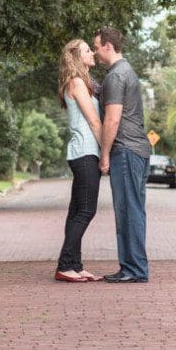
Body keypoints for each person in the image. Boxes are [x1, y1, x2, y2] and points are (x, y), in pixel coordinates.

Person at [93, 26, 151, 284]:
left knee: (128, 211)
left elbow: (113, 120)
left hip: (126, 151)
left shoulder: (116, 76)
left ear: (108, 45)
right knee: (133, 210)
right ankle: (132, 266)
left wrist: (104, 154)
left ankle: (134, 269)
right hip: (137, 150)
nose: (95, 52)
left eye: (96, 47)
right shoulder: (124, 72)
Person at [55, 39, 104, 283]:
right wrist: (107, 152)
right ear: (76, 57)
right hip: (86, 152)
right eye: (87, 50)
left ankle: (74, 264)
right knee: (86, 210)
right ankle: (65, 265)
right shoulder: (76, 82)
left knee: (77, 211)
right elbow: (94, 121)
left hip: (82, 153)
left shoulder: (80, 82)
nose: (92, 53)